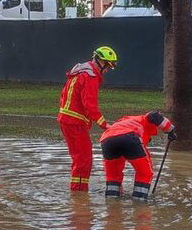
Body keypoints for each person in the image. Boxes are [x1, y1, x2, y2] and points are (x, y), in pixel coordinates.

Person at [58, 46, 117, 191]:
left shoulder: (80, 71)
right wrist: (105, 125)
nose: (108, 70)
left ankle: (77, 191)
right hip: (75, 122)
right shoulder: (90, 76)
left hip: (67, 120)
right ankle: (79, 194)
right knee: (84, 160)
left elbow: (63, 96)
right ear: (101, 62)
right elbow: (90, 105)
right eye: (108, 66)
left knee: (79, 158)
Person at [99, 110, 175, 200]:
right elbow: (154, 116)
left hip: (107, 140)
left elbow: (121, 154)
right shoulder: (143, 119)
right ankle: (139, 202)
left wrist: (119, 188)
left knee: (113, 175)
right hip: (130, 136)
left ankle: (112, 200)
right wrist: (171, 130)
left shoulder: (123, 122)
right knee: (145, 173)